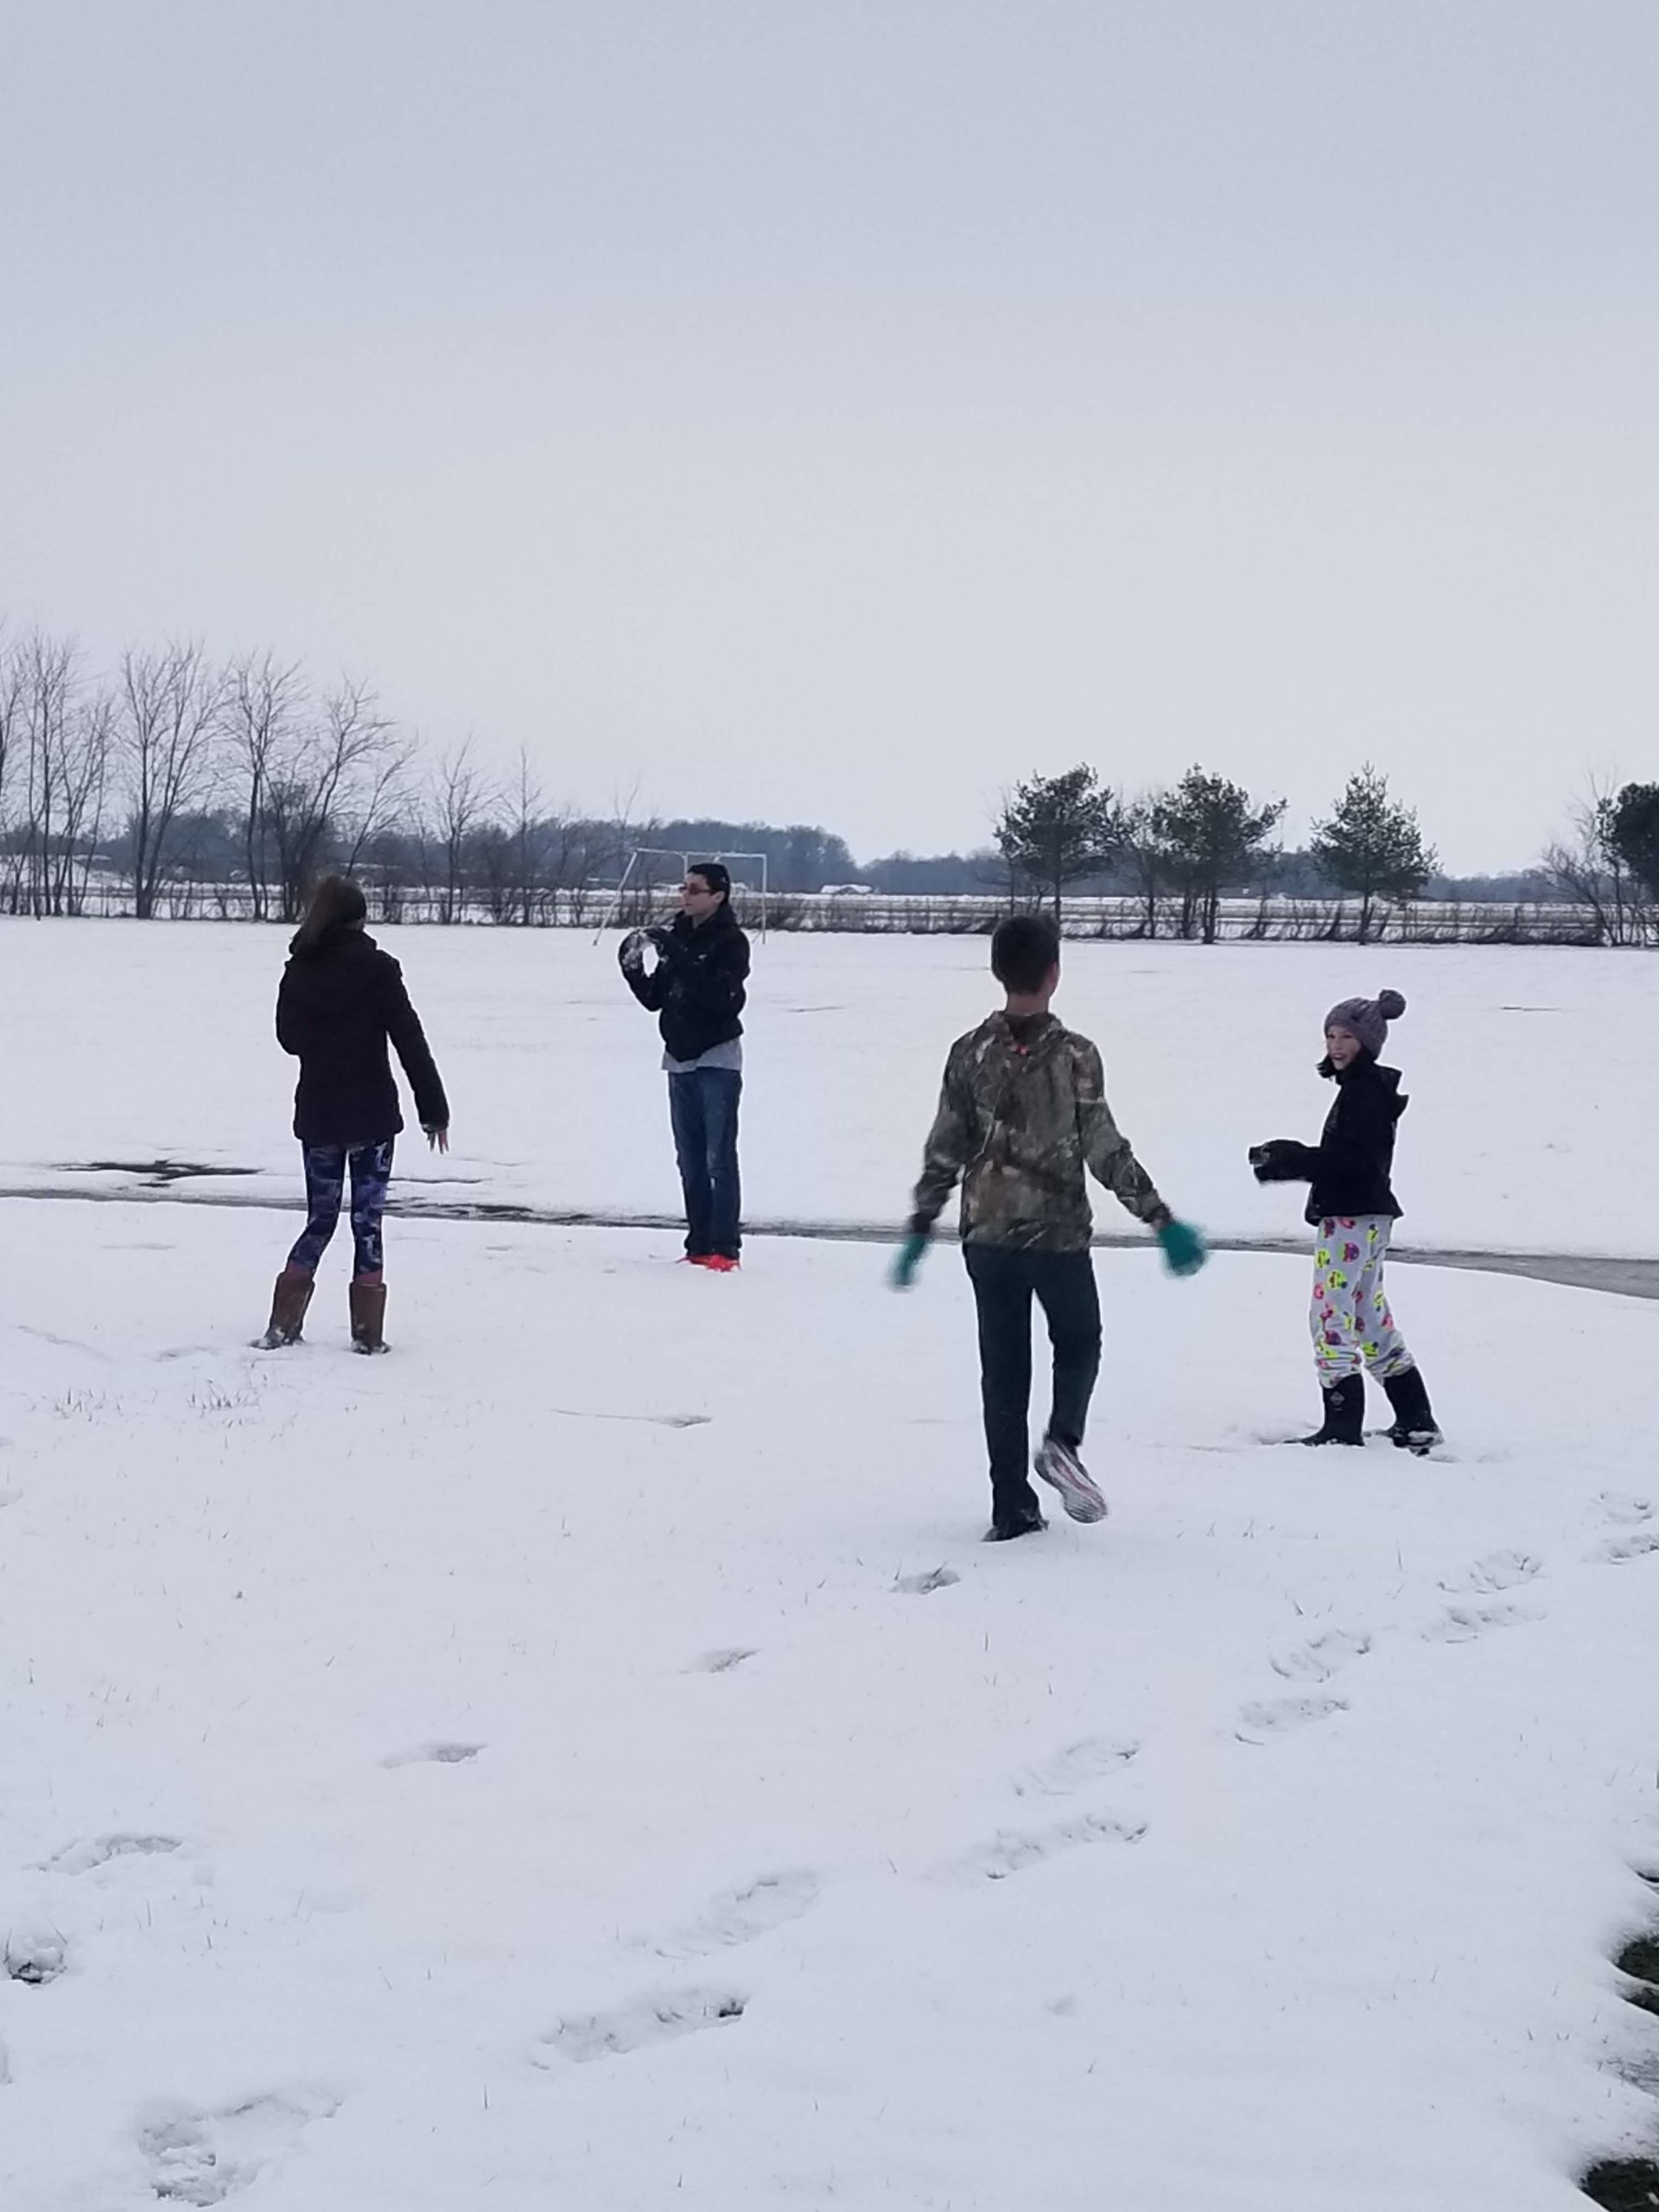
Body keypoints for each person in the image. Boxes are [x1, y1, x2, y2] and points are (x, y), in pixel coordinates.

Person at [892, 913, 1207, 1541]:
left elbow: (945, 1146)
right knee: (1080, 1339)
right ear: (1055, 973)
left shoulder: (968, 1052)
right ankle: (1062, 1441)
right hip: (1058, 1236)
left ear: (997, 971)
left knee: (1003, 1368)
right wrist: (1160, 1219)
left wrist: (922, 1222)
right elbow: (1105, 1148)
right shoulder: (1075, 1056)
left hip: (986, 1236)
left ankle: (1011, 1503)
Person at [256, 874, 450, 1354]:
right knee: (367, 1222)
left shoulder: (298, 970)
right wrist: (434, 1110)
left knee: (319, 1219)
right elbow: (410, 1041)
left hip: (319, 1115)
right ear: (358, 920)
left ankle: (282, 1326)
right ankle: (368, 1336)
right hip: (372, 1119)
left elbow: (288, 1040)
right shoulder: (379, 970)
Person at [1249, 989, 1441, 1452]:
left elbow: (1355, 1162)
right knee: (1366, 1313)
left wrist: (1294, 1160)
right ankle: (1415, 1417)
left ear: (1368, 1042)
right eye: (1331, 1035)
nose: (1336, 1046)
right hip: (1367, 1215)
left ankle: (1341, 1426)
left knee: (1331, 1314)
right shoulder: (1364, 1089)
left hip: (1353, 1218)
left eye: (1347, 1037)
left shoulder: (1365, 1094)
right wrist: (1295, 1159)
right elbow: (1350, 1160)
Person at [618, 862, 751, 1270]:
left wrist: (677, 952)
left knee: (718, 1159)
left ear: (718, 896)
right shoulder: (677, 936)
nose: (685, 896)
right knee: (689, 1159)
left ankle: (724, 1248)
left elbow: (723, 999)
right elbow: (657, 998)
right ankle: (698, 1244)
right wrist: (633, 969)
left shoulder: (731, 942)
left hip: (717, 1059)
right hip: (678, 1059)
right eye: (684, 888)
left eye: (695, 889)